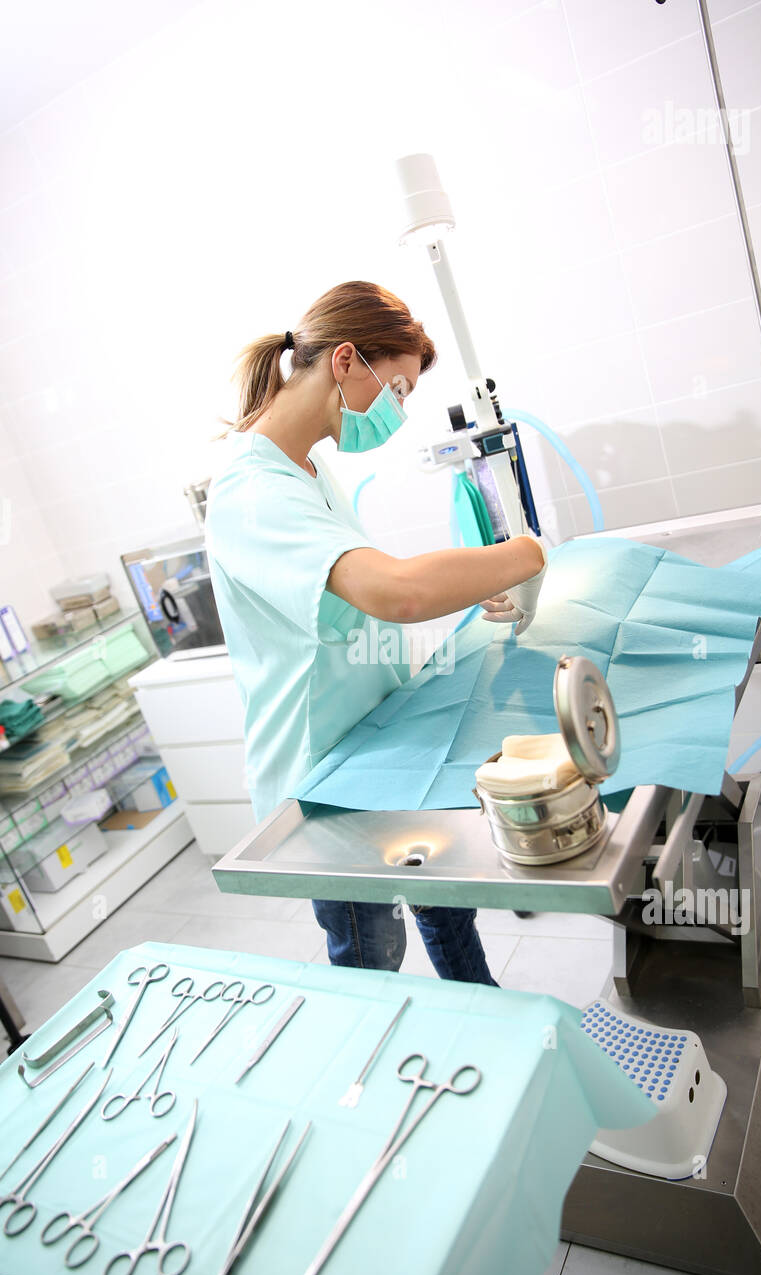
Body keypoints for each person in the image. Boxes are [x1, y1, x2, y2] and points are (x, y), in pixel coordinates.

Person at [205, 281, 548, 985]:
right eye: (396, 389)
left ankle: (478, 1006)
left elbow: (356, 595)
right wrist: (526, 554)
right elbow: (395, 592)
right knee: (369, 956)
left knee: (445, 900)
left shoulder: (304, 465)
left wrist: (480, 582)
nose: (396, 412)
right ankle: (372, 1071)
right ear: (345, 361)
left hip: (375, 741)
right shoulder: (252, 492)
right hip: (322, 773)